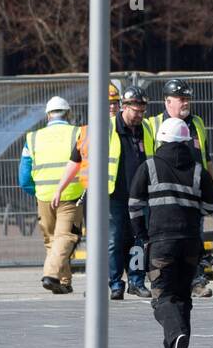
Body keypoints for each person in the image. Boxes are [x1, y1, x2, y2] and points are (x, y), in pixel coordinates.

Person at [129, 117, 213, 348]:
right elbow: (211, 205)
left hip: (161, 242)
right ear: (187, 141)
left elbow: (134, 204)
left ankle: (176, 335)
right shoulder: (198, 169)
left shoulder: (149, 165)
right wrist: (191, 211)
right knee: (182, 297)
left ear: (161, 140)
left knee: (161, 297)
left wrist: (141, 235)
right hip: (190, 243)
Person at [53, 85, 152, 299]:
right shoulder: (104, 128)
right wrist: (61, 188)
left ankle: (136, 281)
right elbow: (78, 158)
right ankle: (115, 283)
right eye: (136, 111)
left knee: (138, 239)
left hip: (139, 195)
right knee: (114, 240)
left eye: (143, 111)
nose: (139, 116)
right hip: (113, 195)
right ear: (125, 108)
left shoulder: (146, 129)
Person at [144, 78, 213, 298]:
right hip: (164, 195)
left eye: (187, 99)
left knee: (195, 237)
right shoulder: (152, 125)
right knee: (163, 239)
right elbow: (147, 161)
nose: (186, 103)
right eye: (181, 99)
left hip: (193, 193)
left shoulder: (197, 123)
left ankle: (196, 281)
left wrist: (212, 187)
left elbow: (206, 158)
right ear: (168, 101)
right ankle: (161, 281)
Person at [20, 96, 83, 294]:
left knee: (52, 240)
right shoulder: (78, 133)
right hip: (71, 194)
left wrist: (36, 191)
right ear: (69, 113)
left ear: (48, 115)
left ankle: (63, 281)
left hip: (44, 196)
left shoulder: (32, 138)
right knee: (65, 237)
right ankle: (51, 275)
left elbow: (23, 175)